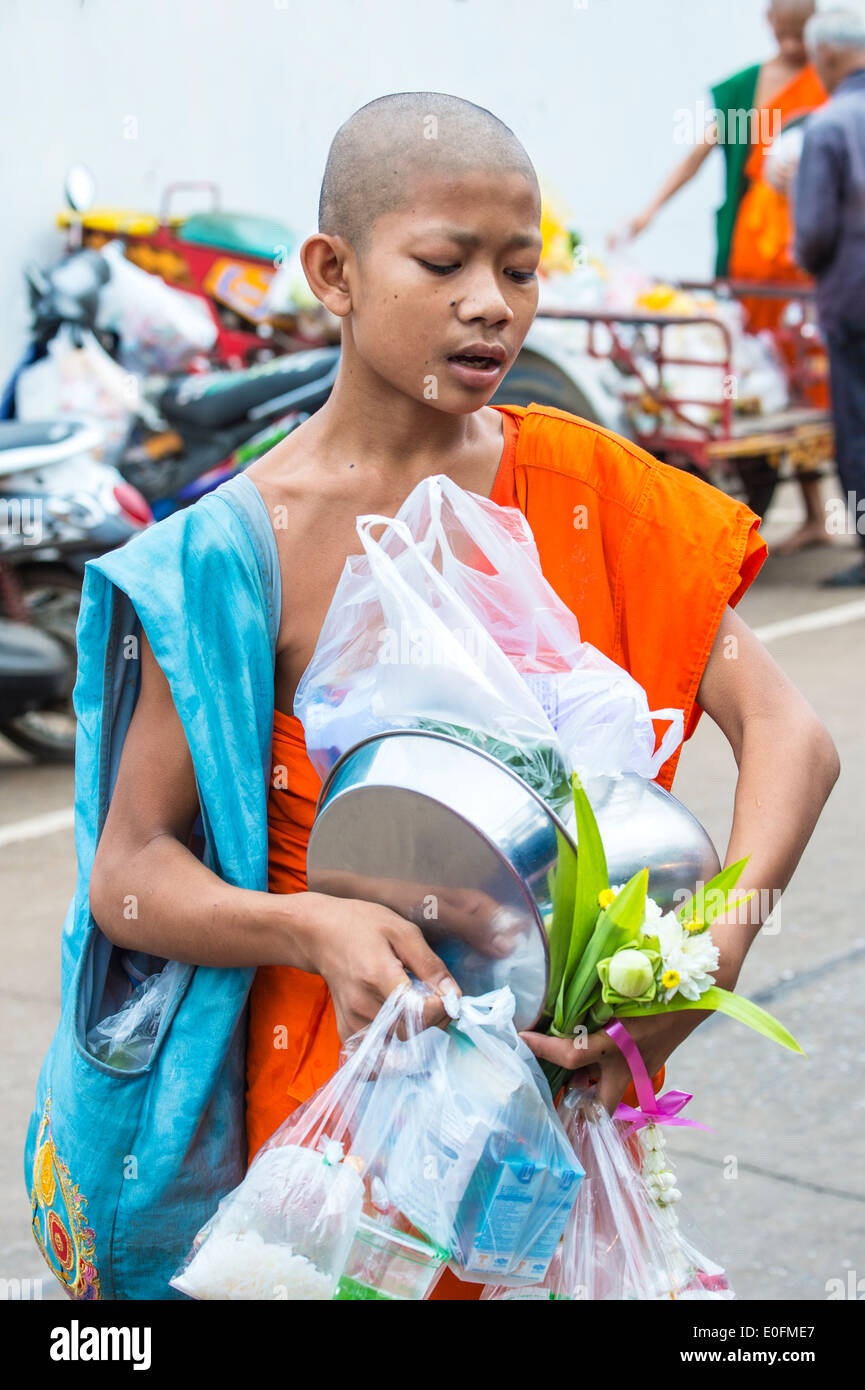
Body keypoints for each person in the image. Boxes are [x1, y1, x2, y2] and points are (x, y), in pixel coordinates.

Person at [41, 92, 839, 1302]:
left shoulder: (584, 488)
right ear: (334, 272)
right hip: (322, 1143)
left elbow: (794, 736)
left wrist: (704, 958)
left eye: (519, 269)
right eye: (444, 261)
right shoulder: (232, 555)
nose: (492, 302)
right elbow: (130, 871)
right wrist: (308, 925)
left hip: (549, 1129)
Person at [613, 1, 833, 550]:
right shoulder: (746, 89)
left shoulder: (829, 84)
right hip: (747, 255)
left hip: (804, 257)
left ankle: (814, 512)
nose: (791, 46)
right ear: (768, 25)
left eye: (800, 35)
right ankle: (782, 514)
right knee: (760, 375)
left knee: (806, 377)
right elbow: (700, 153)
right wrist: (651, 210)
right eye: (783, 35)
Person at [794, 7, 865, 586]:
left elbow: (814, 234)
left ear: (830, 57)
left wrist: (806, 260)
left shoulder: (829, 125)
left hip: (854, 300)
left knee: (859, 426)